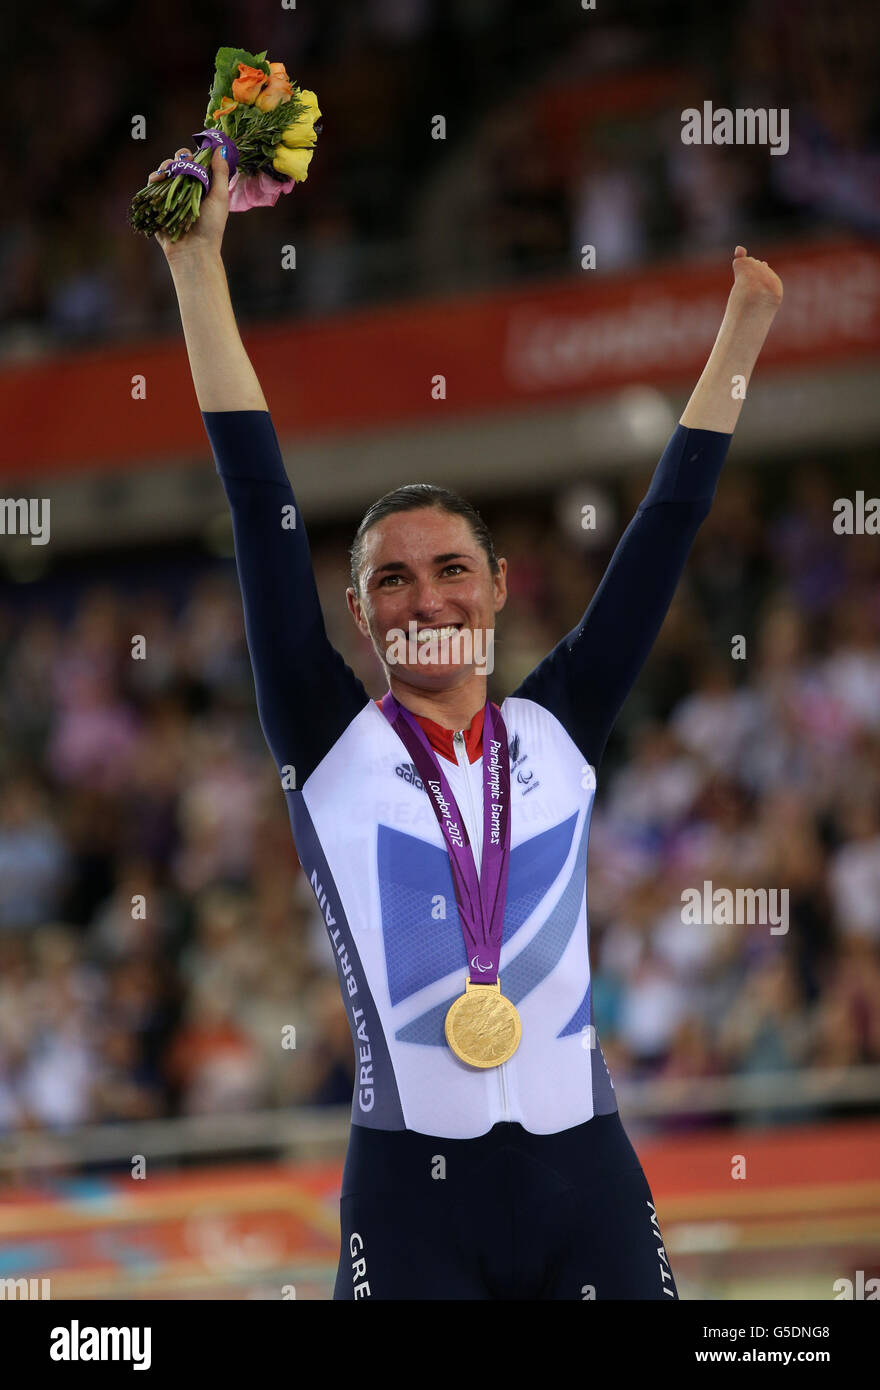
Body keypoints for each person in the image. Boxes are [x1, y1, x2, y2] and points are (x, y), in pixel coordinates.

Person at [148, 144, 783, 1299]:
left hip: (585, 1177)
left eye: (450, 569)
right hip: (407, 1200)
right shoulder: (332, 743)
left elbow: (667, 526)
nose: (425, 595)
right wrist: (198, 268)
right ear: (358, 613)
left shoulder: (559, 729)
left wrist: (739, 334)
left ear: (497, 587)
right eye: (391, 580)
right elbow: (257, 501)